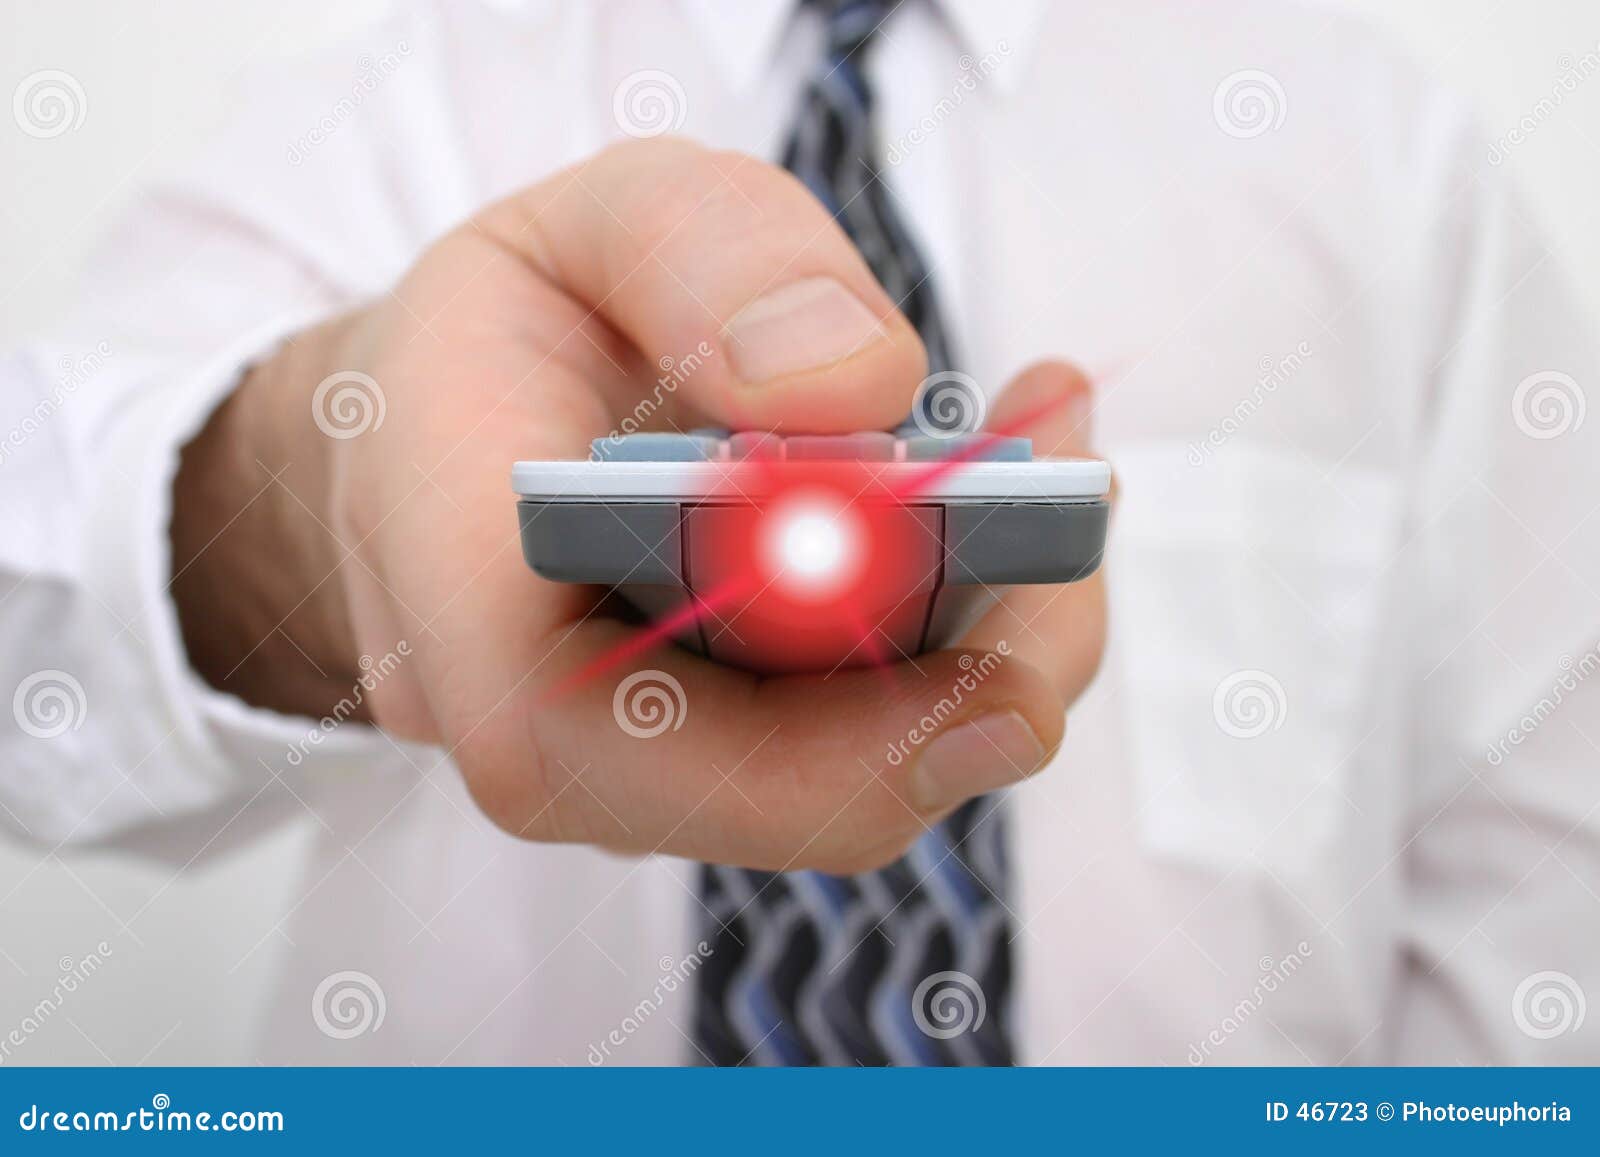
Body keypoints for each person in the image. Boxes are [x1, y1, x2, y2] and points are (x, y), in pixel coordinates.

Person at [2, 0, 1596, 1065]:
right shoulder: (385, 102)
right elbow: (36, 648)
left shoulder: (1383, 165)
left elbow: (1541, 889)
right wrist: (321, 485)